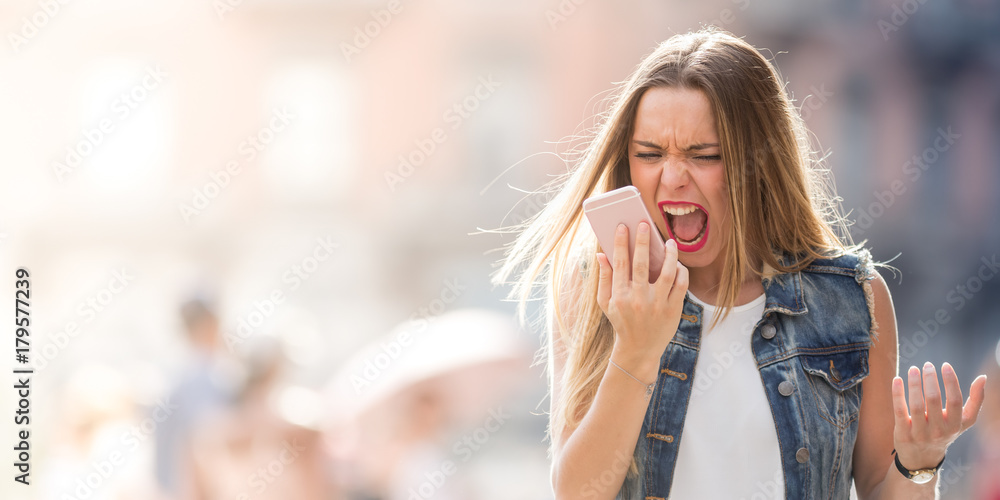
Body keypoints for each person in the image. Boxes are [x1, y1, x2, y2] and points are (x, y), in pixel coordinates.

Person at [491, 28, 988, 499]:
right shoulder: (596, 286)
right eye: (649, 153)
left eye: (703, 155)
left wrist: (920, 463)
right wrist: (636, 351)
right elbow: (577, 492)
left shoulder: (852, 297)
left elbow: (882, 486)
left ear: (759, 164)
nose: (672, 178)